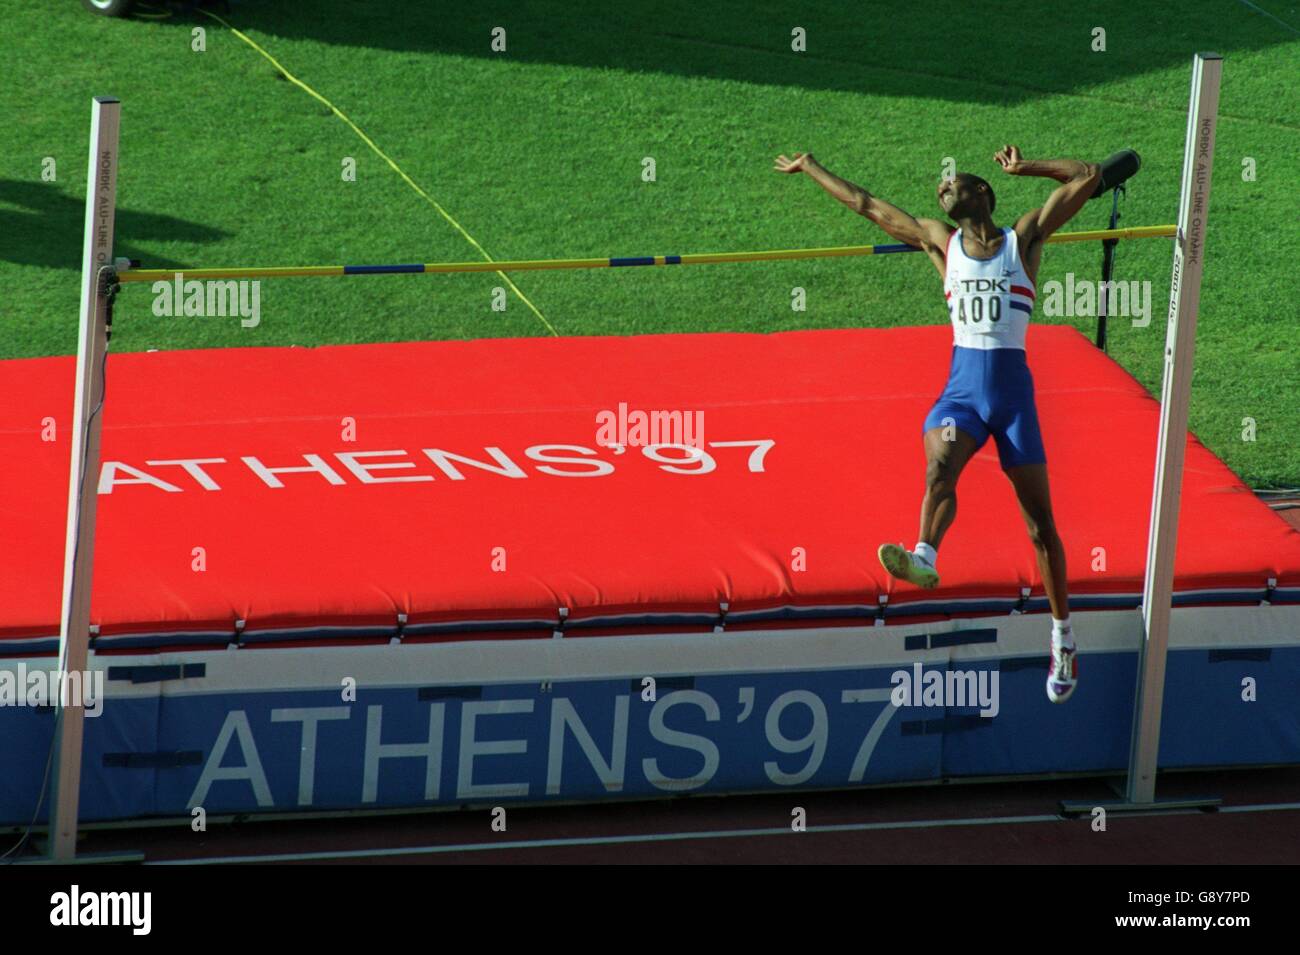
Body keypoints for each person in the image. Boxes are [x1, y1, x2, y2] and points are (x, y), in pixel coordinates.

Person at [774, 146, 1101, 703]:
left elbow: (1088, 176)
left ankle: (1063, 636)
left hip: (1014, 400)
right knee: (941, 461)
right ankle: (924, 555)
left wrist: (1028, 167)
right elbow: (866, 204)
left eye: (953, 183)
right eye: (940, 187)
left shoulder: (1024, 239)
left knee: (1040, 526)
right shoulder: (939, 241)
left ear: (984, 195)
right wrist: (812, 167)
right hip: (963, 395)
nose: (942, 188)